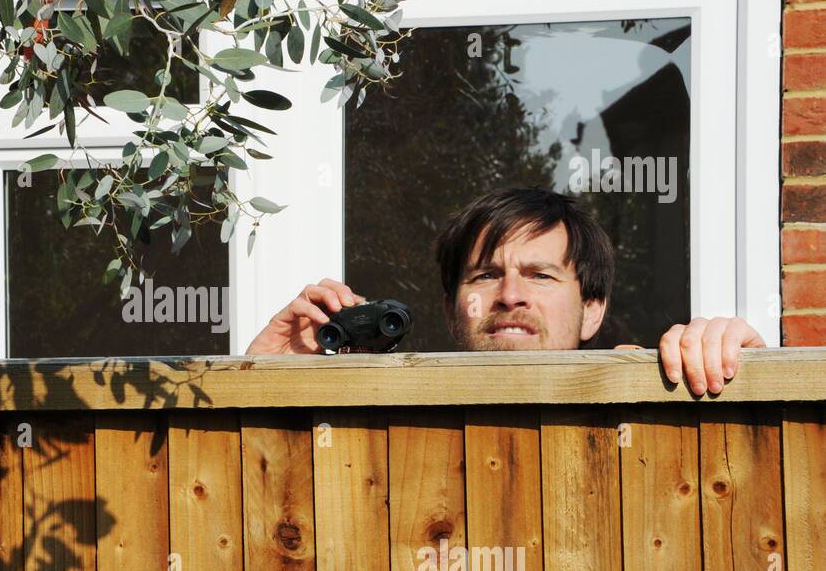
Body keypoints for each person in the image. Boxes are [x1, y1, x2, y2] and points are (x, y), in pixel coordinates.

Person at [244, 187, 766, 396]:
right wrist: (261, 382)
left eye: (541, 275)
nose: (511, 295)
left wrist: (739, 364)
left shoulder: (647, 401)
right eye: (486, 275)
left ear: (592, 311)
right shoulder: (384, 422)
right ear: (451, 311)